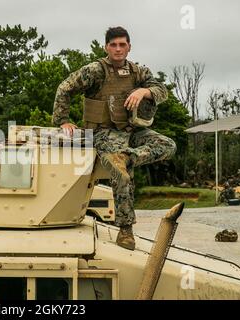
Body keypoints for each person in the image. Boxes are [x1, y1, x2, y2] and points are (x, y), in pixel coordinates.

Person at [52, 26, 176, 250]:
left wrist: (143, 92)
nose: (118, 49)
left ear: (129, 47)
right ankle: (126, 231)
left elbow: (161, 91)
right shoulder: (95, 70)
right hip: (103, 132)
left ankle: (129, 156)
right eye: (113, 45)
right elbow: (65, 88)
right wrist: (62, 120)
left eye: (122, 45)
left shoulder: (138, 72)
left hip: (132, 132)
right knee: (122, 175)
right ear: (106, 47)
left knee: (168, 145)